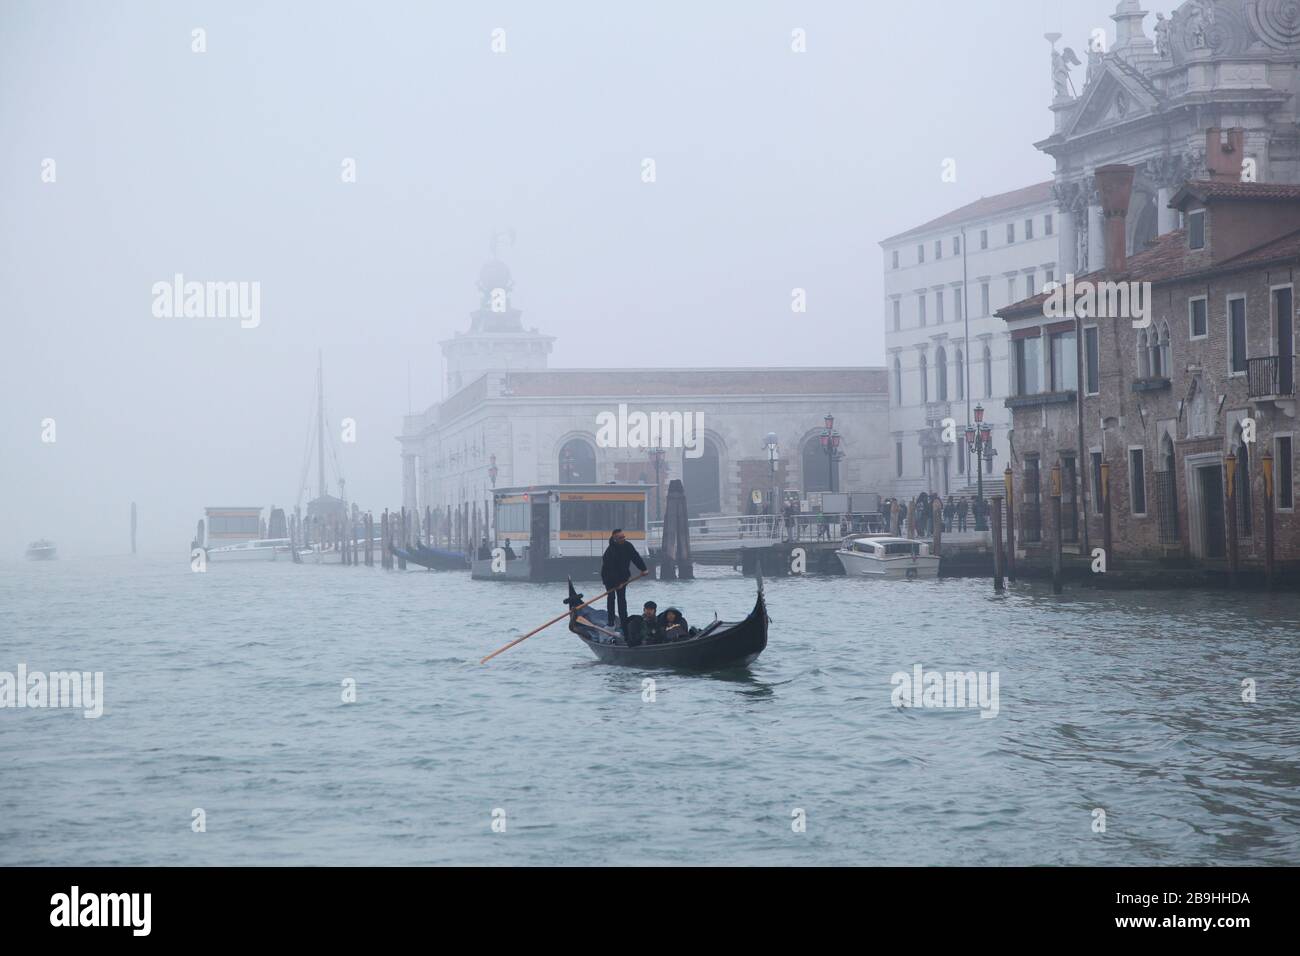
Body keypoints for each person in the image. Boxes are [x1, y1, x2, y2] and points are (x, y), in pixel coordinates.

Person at [601, 528, 647, 634]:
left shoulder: (627, 545)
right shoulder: (609, 552)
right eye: (621, 538)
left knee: (622, 600)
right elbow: (610, 570)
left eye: (624, 537)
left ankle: (624, 623)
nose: (623, 539)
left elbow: (635, 557)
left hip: (623, 577)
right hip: (609, 578)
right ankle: (611, 623)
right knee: (611, 598)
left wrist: (643, 569)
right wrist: (617, 584)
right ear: (615, 539)